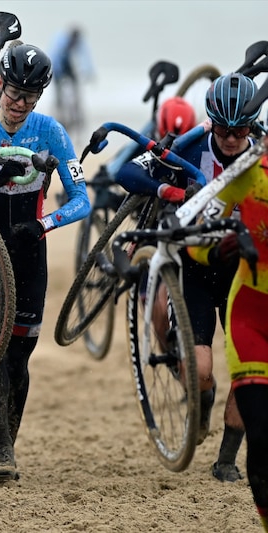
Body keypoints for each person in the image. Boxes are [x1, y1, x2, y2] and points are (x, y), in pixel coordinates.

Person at [117, 72, 263, 482]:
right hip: (197, 269)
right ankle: (202, 402)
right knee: (199, 371)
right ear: (210, 121)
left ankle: (227, 460)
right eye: (223, 129)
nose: (232, 139)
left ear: (252, 125)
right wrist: (171, 192)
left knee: (249, 373)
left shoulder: (262, 154)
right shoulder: (194, 145)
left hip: (246, 273)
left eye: (240, 131)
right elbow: (128, 173)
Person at [0, 43, 91, 482]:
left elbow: (82, 200)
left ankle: (8, 438)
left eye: (29, 99)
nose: (18, 106)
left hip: (30, 252)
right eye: (13, 95)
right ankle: (2, 445)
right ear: (0, 84)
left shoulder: (51, 131)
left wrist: (44, 224)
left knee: (18, 358)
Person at [213, 132, 268, 531]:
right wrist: (219, 246)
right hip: (251, 318)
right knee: (262, 442)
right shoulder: (251, 173)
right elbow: (198, 234)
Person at [48, 26, 95, 137]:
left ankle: (77, 110)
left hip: (68, 65)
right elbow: (54, 57)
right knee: (58, 96)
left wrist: (89, 72)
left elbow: (86, 56)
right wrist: (55, 74)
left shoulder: (79, 41)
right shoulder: (61, 40)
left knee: (76, 93)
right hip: (57, 66)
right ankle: (59, 114)